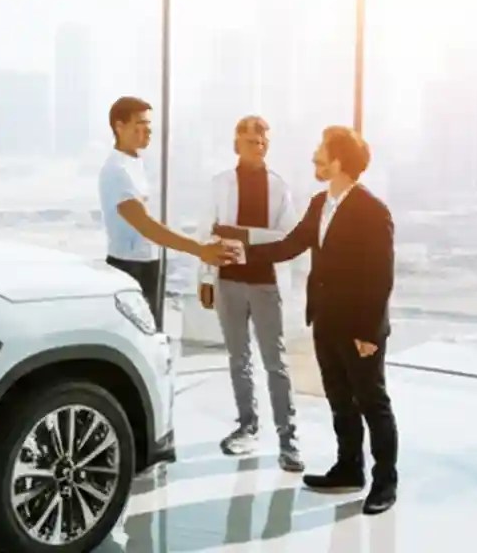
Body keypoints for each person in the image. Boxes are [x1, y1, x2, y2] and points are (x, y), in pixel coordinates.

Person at [226, 125, 398, 515]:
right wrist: (241, 252)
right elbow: (291, 244)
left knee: (373, 401)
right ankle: (348, 469)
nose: (314, 157)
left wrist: (369, 333)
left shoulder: (373, 210)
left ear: (338, 160)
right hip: (326, 320)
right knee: (339, 399)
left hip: (359, 329)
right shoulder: (321, 202)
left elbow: (381, 276)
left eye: (321, 151)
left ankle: (385, 481)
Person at [199, 116, 303, 472]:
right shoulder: (219, 184)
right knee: (238, 358)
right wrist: (205, 279)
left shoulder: (280, 187)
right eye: (250, 141)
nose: (257, 147)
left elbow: (289, 239)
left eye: (262, 142)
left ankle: (289, 440)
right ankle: (247, 426)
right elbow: (206, 233)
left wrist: (239, 234)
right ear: (236, 144)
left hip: (265, 282)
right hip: (227, 280)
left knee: (276, 362)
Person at [99, 96, 239, 329]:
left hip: (147, 263)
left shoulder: (135, 163)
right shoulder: (117, 170)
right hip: (129, 267)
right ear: (119, 126)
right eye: (139, 125)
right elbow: (145, 225)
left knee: (150, 332)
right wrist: (199, 250)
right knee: (138, 334)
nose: (147, 132)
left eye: (149, 126)